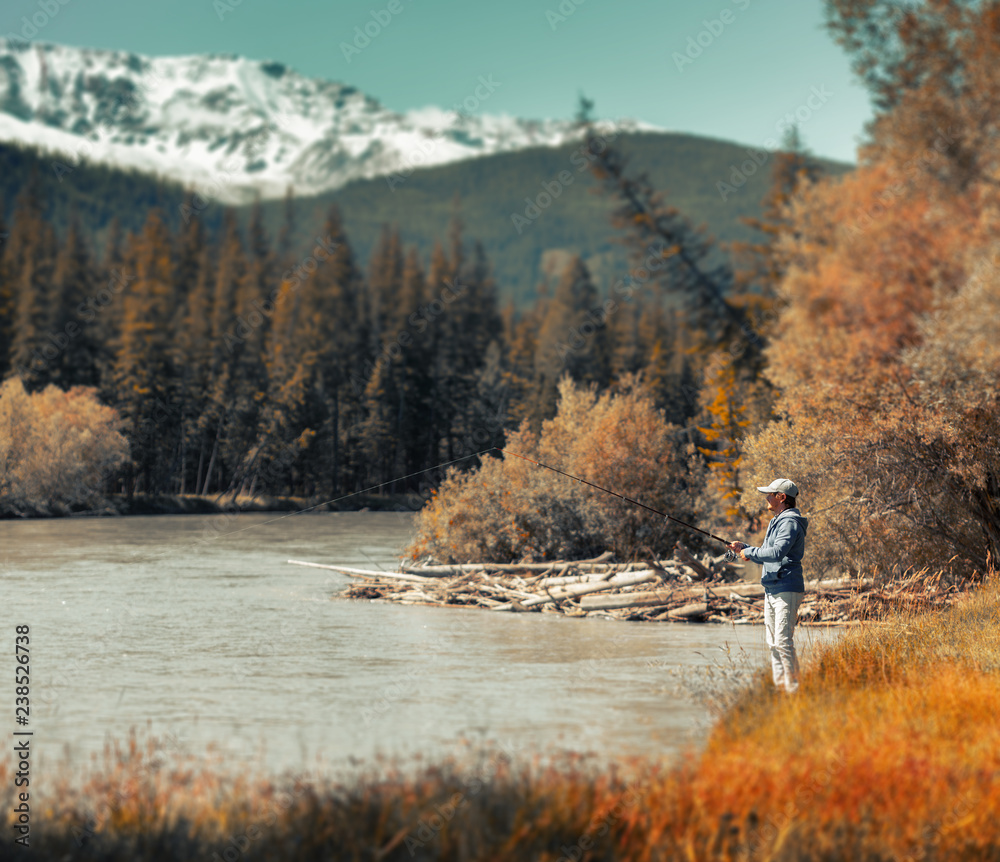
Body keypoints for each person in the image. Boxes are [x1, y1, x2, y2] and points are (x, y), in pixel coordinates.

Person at [728, 479, 808, 694]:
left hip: (786, 588)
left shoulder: (789, 522)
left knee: (783, 642)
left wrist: (751, 553)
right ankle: (782, 690)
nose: (767, 497)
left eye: (770, 494)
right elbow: (767, 551)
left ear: (782, 497)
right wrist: (745, 548)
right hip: (772, 587)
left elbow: (776, 553)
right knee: (773, 643)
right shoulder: (778, 521)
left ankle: (794, 692)